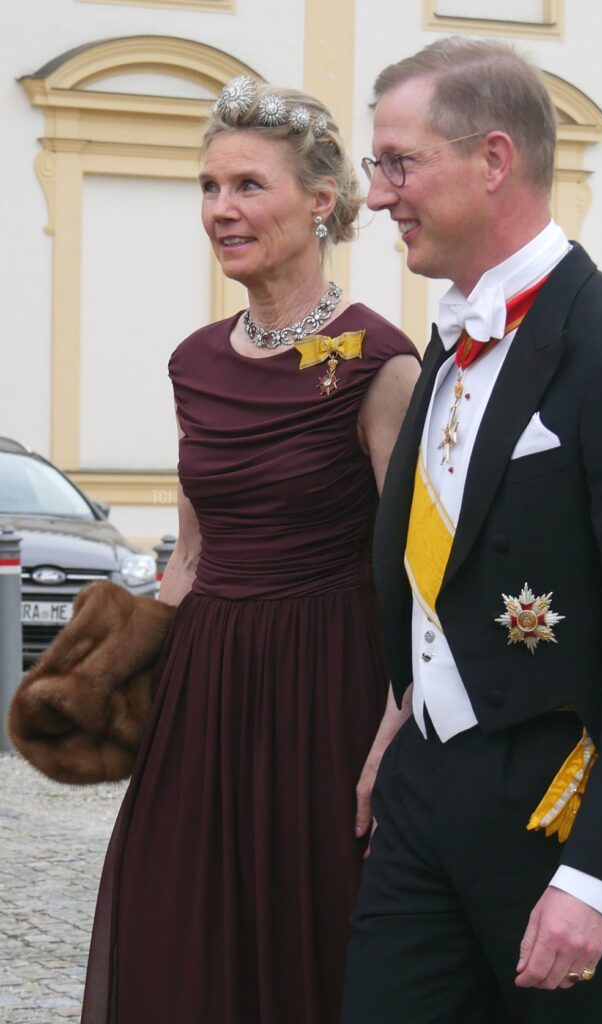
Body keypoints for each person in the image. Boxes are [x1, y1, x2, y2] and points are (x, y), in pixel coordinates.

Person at [340, 37, 602, 1024]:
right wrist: (406, 715)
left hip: (558, 808)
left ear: (493, 160)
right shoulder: (452, 337)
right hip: (425, 794)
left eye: (398, 163)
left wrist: (595, 879)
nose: (376, 195)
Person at [80, 76, 420, 1024]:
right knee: (180, 936)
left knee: (306, 945)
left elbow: (420, 573)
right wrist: (116, 682)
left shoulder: (382, 363)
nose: (220, 210)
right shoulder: (194, 362)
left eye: (247, 186)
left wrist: (398, 724)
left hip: (326, 694)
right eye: (209, 187)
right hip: (202, 698)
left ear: (320, 203)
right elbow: (189, 557)